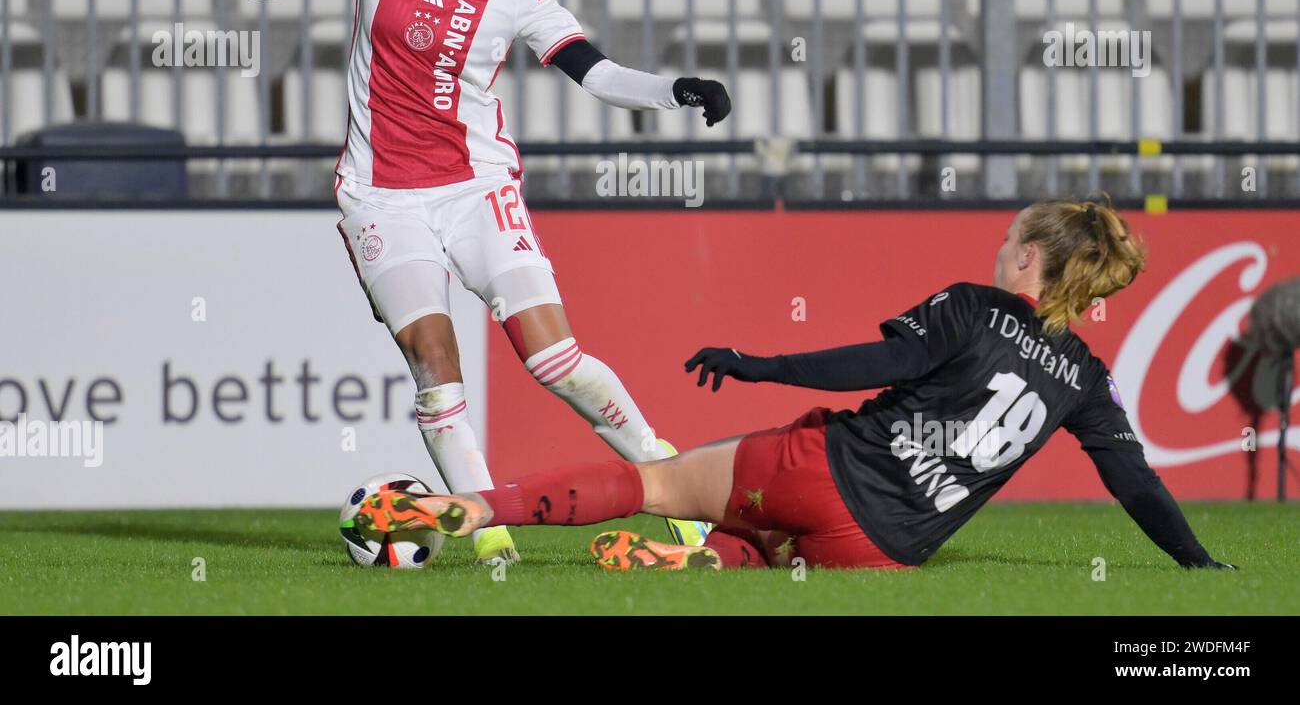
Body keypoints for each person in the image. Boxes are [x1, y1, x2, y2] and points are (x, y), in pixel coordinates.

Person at [234, 0, 730, 563]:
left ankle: (672, 486)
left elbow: (594, 72)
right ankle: (492, 541)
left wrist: (675, 90)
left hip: (476, 191)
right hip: (382, 198)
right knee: (435, 367)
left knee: (554, 360)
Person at [354, 198, 1237, 572]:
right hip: (891, 549)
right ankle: (706, 561)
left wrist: (763, 364)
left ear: (1031, 256)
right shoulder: (1086, 376)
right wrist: (1199, 566)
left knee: (652, 483)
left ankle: (475, 507)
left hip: (827, 473)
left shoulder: (975, 306)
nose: (1000, 247)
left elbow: (883, 366)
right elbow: (1135, 482)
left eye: (1010, 239)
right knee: (772, 540)